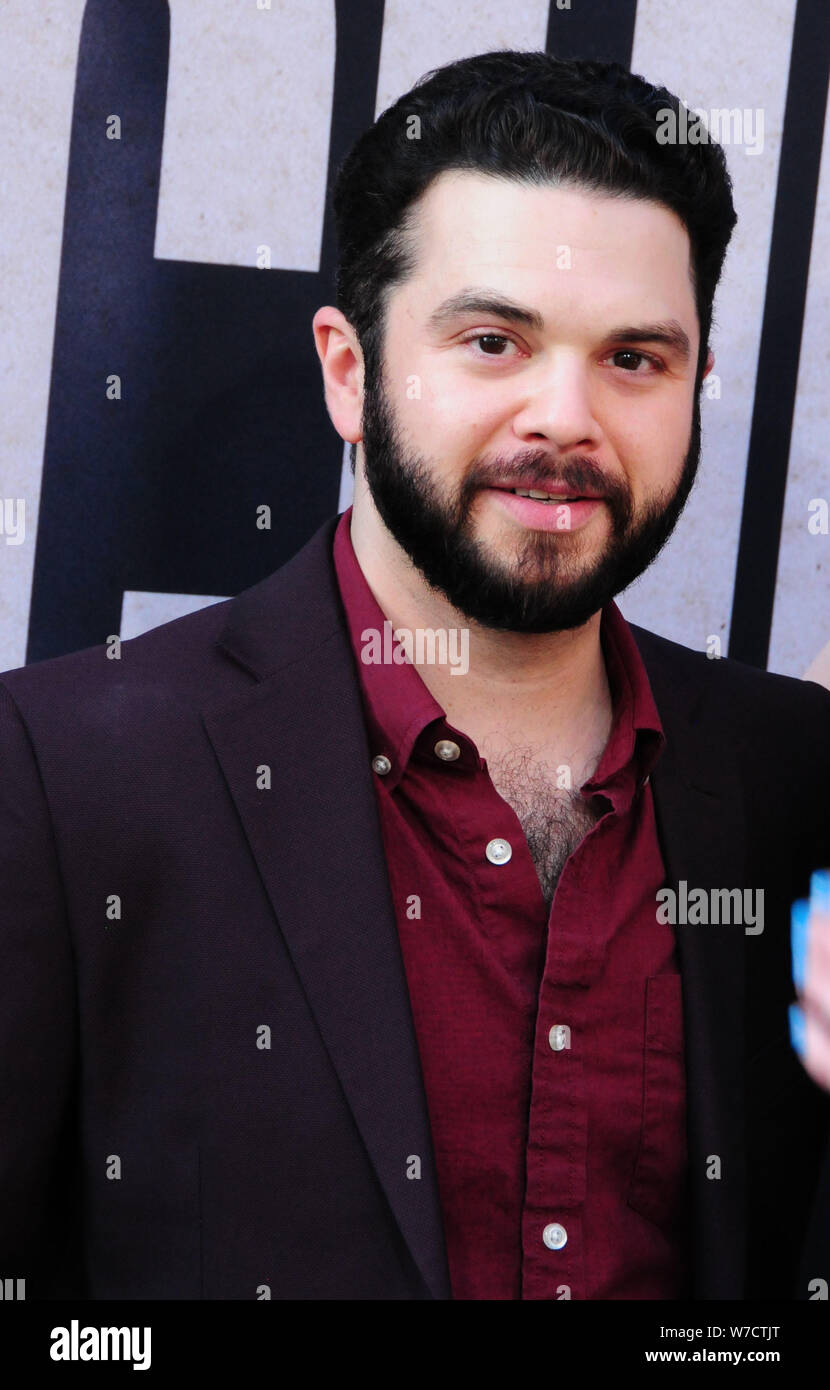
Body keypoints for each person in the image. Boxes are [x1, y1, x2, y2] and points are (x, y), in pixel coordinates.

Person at [1, 49, 829, 1302]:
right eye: (494, 340)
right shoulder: (65, 773)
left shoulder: (791, 771)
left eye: (634, 359)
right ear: (348, 370)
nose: (564, 418)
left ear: (696, 387)